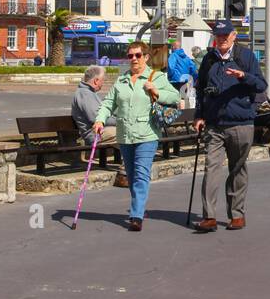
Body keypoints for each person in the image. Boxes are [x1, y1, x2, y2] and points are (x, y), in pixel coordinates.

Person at [93, 42, 180, 232]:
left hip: (147, 134)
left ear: (146, 57)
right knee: (131, 176)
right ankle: (139, 207)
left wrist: (157, 92)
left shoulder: (156, 77)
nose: (133, 59)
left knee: (141, 174)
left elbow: (175, 97)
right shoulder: (122, 80)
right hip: (125, 135)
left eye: (138, 55)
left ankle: (136, 215)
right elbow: (108, 103)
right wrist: (100, 120)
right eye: (130, 55)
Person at [192, 19, 267, 233]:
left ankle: (237, 215)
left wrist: (243, 76)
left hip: (241, 122)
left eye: (225, 35)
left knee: (237, 169)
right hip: (214, 124)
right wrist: (199, 115)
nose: (222, 39)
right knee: (211, 168)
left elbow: (261, 85)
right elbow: (200, 90)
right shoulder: (208, 59)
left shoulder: (245, 57)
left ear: (234, 36)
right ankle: (209, 217)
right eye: (218, 36)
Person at [73, 65, 115, 143]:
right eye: (103, 80)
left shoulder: (88, 92)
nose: (103, 84)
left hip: (101, 130)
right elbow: (95, 118)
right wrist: (120, 121)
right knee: (127, 134)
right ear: (96, 81)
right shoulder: (85, 94)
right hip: (94, 134)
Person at [166, 39, 198, 108]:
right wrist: (194, 80)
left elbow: (171, 68)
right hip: (185, 82)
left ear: (173, 47)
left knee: (175, 100)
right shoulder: (186, 57)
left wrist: (169, 77)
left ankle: (177, 116)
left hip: (175, 81)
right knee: (183, 99)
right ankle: (184, 116)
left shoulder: (173, 55)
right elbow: (193, 69)